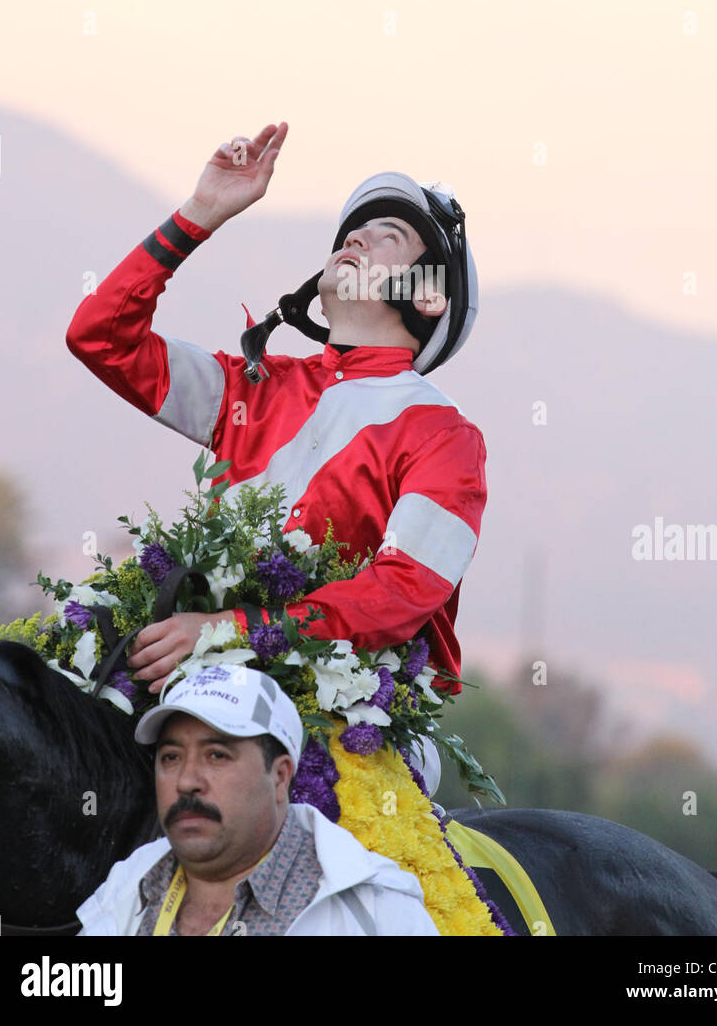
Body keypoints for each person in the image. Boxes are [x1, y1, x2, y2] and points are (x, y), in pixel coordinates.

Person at [65, 125, 486, 712]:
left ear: (429, 295)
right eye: (352, 231)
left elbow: (402, 588)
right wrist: (199, 215)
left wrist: (226, 629)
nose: (357, 237)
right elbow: (100, 338)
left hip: (364, 711)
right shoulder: (253, 386)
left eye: (386, 235)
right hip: (198, 681)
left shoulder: (446, 436)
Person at [76, 666, 439, 936]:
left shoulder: (374, 911)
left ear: (280, 776)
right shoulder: (123, 891)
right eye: (171, 757)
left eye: (217, 756)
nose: (187, 781)